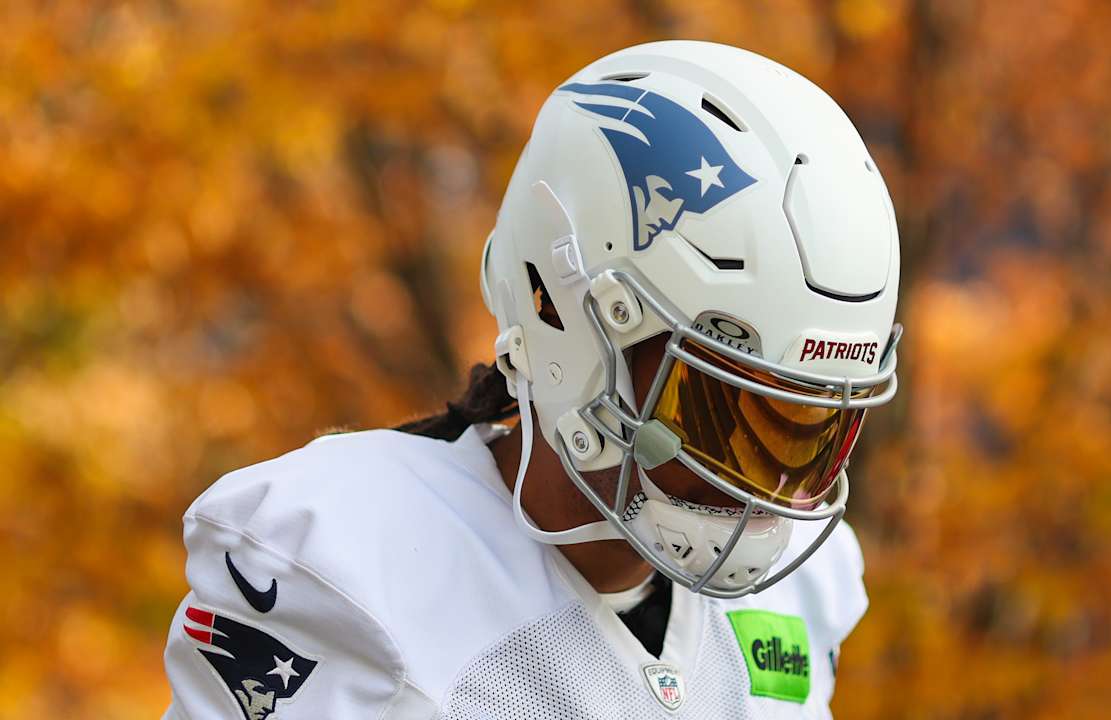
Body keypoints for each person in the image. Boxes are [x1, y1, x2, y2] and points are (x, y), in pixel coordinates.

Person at [162, 40, 903, 719]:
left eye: (807, 431)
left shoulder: (808, 586)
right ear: (569, 326)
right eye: (718, 409)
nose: (764, 489)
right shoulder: (352, 570)